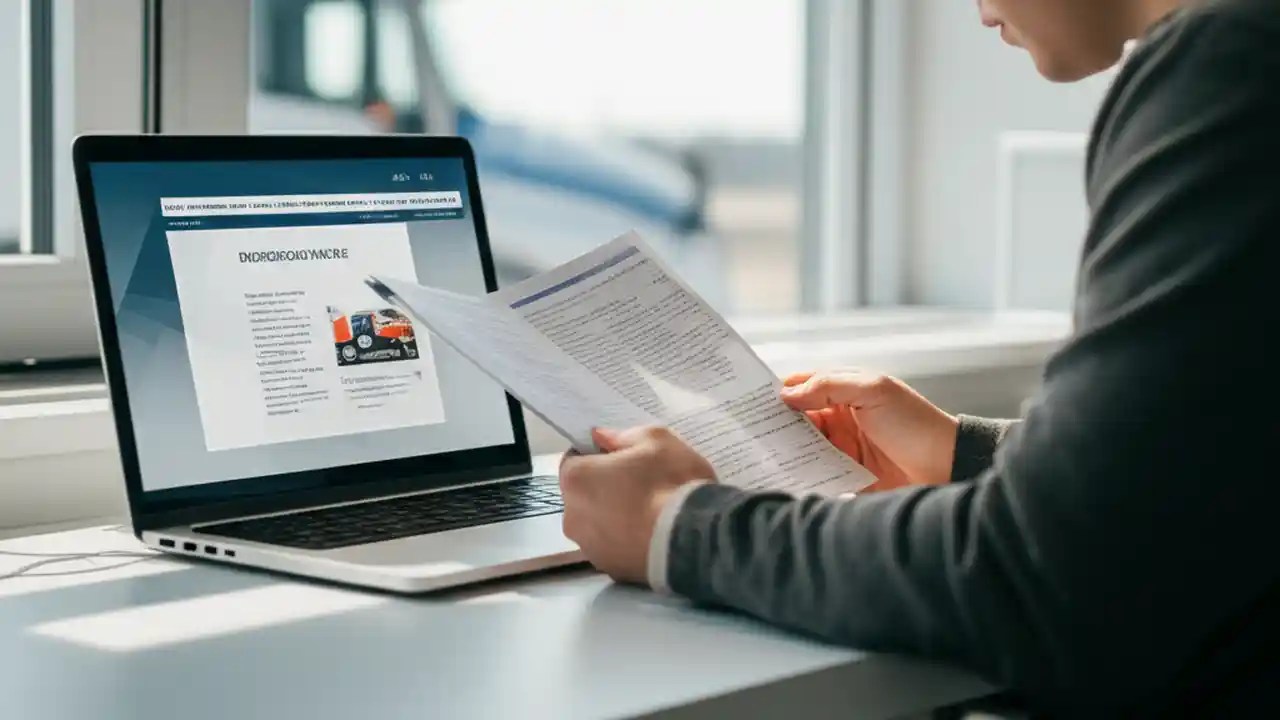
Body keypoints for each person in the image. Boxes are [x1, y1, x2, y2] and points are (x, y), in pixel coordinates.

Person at [557, 0, 1279, 715]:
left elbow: (1042, 578)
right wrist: (962, 453)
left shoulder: (1233, 65)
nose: (976, 12)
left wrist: (678, 527)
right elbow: (1218, 465)